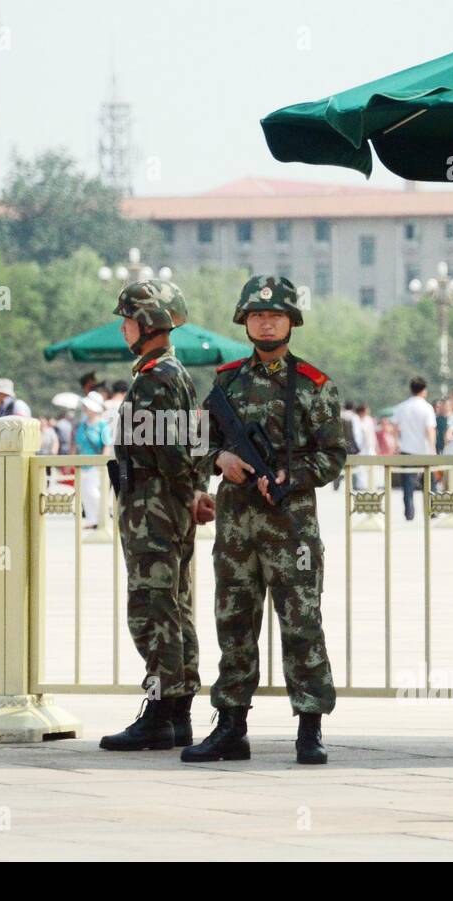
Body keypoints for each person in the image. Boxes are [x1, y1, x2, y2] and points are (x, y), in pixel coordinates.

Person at [182, 275, 346, 767]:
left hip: (290, 526)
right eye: (257, 315)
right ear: (245, 321)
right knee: (233, 623)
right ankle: (231, 725)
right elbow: (195, 443)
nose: (266, 322)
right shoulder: (226, 382)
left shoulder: (315, 385)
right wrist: (219, 462)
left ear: (291, 321)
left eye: (275, 315)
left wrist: (289, 476)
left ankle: (310, 727)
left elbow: (334, 455)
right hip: (236, 528)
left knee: (302, 625)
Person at [98, 280, 211, 752]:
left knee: (152, 607)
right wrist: (196, 490)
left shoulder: (154, 379)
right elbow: (196, 443)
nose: (123, 327)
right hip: (167, 506)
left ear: (145, 324)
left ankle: (162, 710)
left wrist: (186, 492)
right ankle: (176, 711)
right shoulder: (174, 373)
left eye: (127, 319)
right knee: (174, 605)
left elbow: (168, 450)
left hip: (153, 510)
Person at [391, 377, 435, 520]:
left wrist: (397, 443)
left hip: (407, 449)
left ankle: (409, 512)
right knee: (428, 482)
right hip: (424, 450)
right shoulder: (427, 407)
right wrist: (432, 448)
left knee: (407, 483)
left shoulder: (402, 407)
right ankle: (432, 510)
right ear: (424, 390)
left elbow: (395, 428)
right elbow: (430, 430)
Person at [74, 392, 111, 529]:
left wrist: (102, 463)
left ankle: (103, 515)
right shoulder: (82, 425)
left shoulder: (103, 425)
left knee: (92, 491)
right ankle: (92, 519)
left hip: (96, 465)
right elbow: (77, 444)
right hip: (82, 464)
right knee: (84, 492)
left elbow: (107, 445)